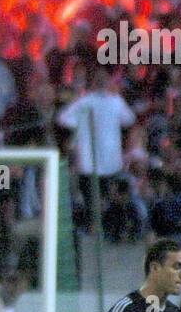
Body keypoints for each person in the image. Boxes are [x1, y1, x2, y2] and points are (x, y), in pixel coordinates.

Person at [57, 73, 136, 232]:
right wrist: (80, 124)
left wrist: (78, 124)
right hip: (96, 159)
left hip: (101, 159)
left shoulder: (107, 101)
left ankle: (107, 226)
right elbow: (129, 119)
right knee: (95, 195)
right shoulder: (90, 101)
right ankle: (98, 226)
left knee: (102, 195)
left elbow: (63, 118)